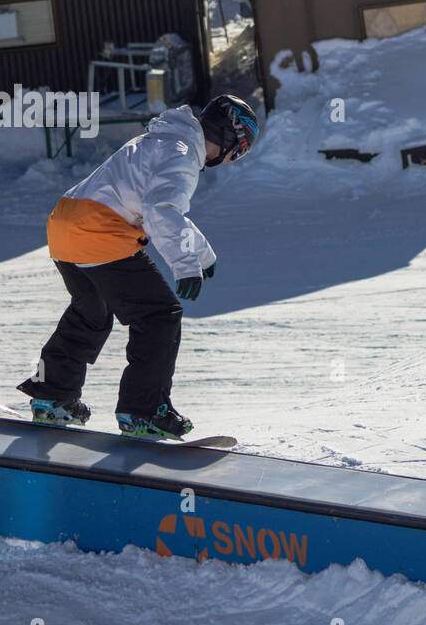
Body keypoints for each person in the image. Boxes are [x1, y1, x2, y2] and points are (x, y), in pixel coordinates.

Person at [17, 95, 261, 439]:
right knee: (159, 315)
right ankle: (143, 410)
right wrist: (185, 264)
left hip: (64, 223)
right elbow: (161, 210)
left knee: (90, 312)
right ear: (227, 137)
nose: (233, 158)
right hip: (100, 229)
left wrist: (203, 255)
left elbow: (161, 211)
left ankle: (51, 395)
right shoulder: (182, 154)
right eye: (240, 150)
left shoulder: (161, 140)